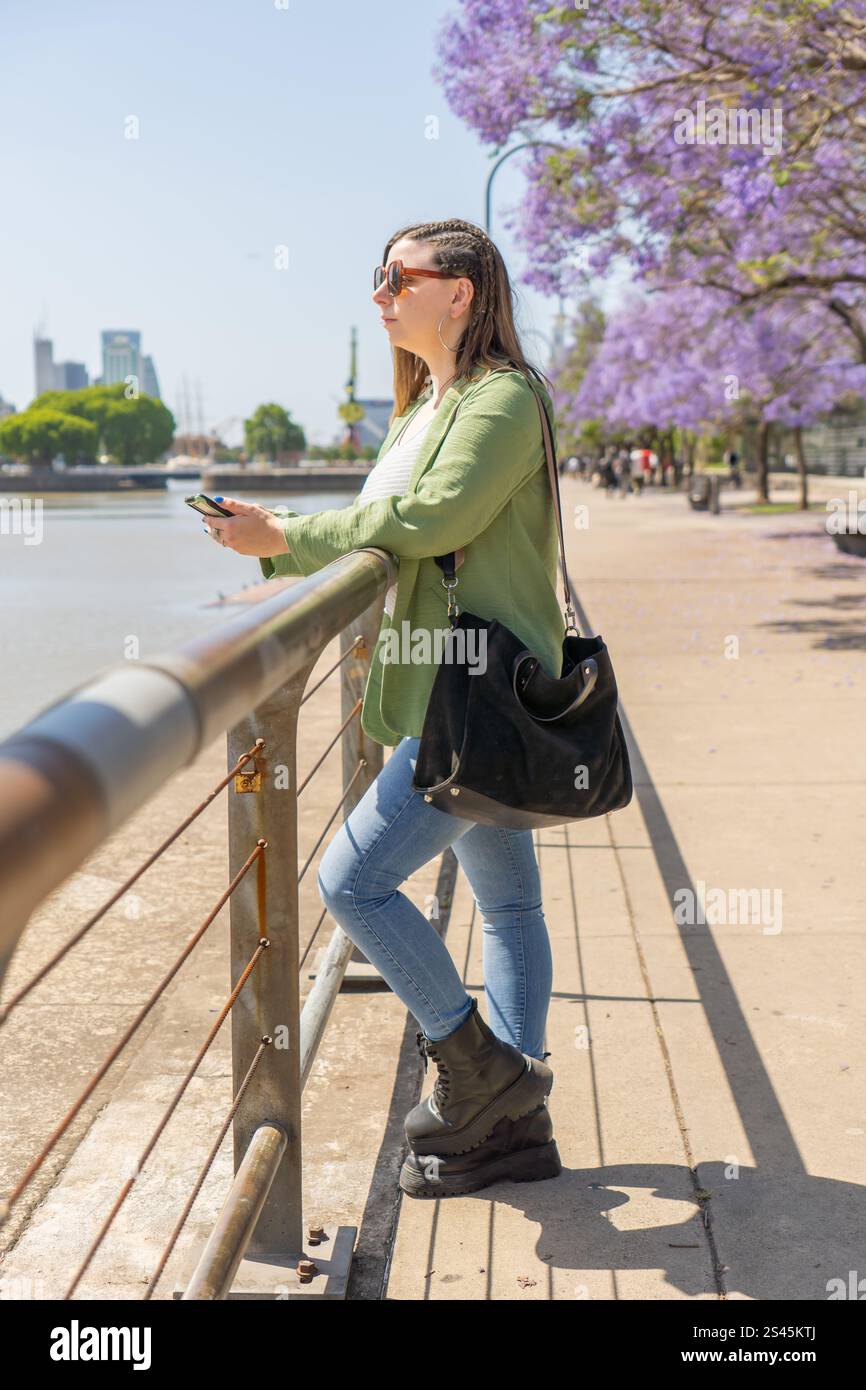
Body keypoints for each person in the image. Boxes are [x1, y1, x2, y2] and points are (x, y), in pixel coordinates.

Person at [199, 219, 562, 1200]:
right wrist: (275, 558)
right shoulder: (421, 408)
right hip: (435, 687)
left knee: (351, 880)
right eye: (377, 276)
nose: (378, 293)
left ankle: (480, 1076)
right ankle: (512, 1121)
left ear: (461, 291)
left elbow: (429, 519)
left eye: (397, 276)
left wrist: (286, 532)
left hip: (476, 699)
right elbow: (382, 535)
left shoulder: (502, 400)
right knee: (509, 903)